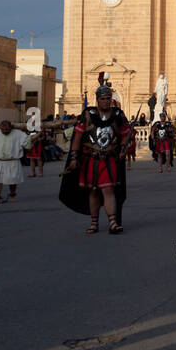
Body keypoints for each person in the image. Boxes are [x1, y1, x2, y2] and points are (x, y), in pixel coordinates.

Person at [65, 75, 129, 233]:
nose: (106, 101)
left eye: (108, 98)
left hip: (109, 159)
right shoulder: (87, 115)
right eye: (103, 98)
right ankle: (94, 222)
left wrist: (123, 148)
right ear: (97, 100)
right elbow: (77, 138)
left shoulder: (117, 115)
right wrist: (73, 157)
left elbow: (126, 133)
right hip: (91, 160)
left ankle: (112, 222)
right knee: (93, 190)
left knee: (108, 190)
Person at [0, 119, 30, 204]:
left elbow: (27, 141)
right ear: (0, 128)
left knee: (12, 180)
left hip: (13, 161)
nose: (4, 131)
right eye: (3, 129)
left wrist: (38, 134)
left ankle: (12, 194)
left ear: (11, 128)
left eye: (7, 129)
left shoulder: (18, 134)